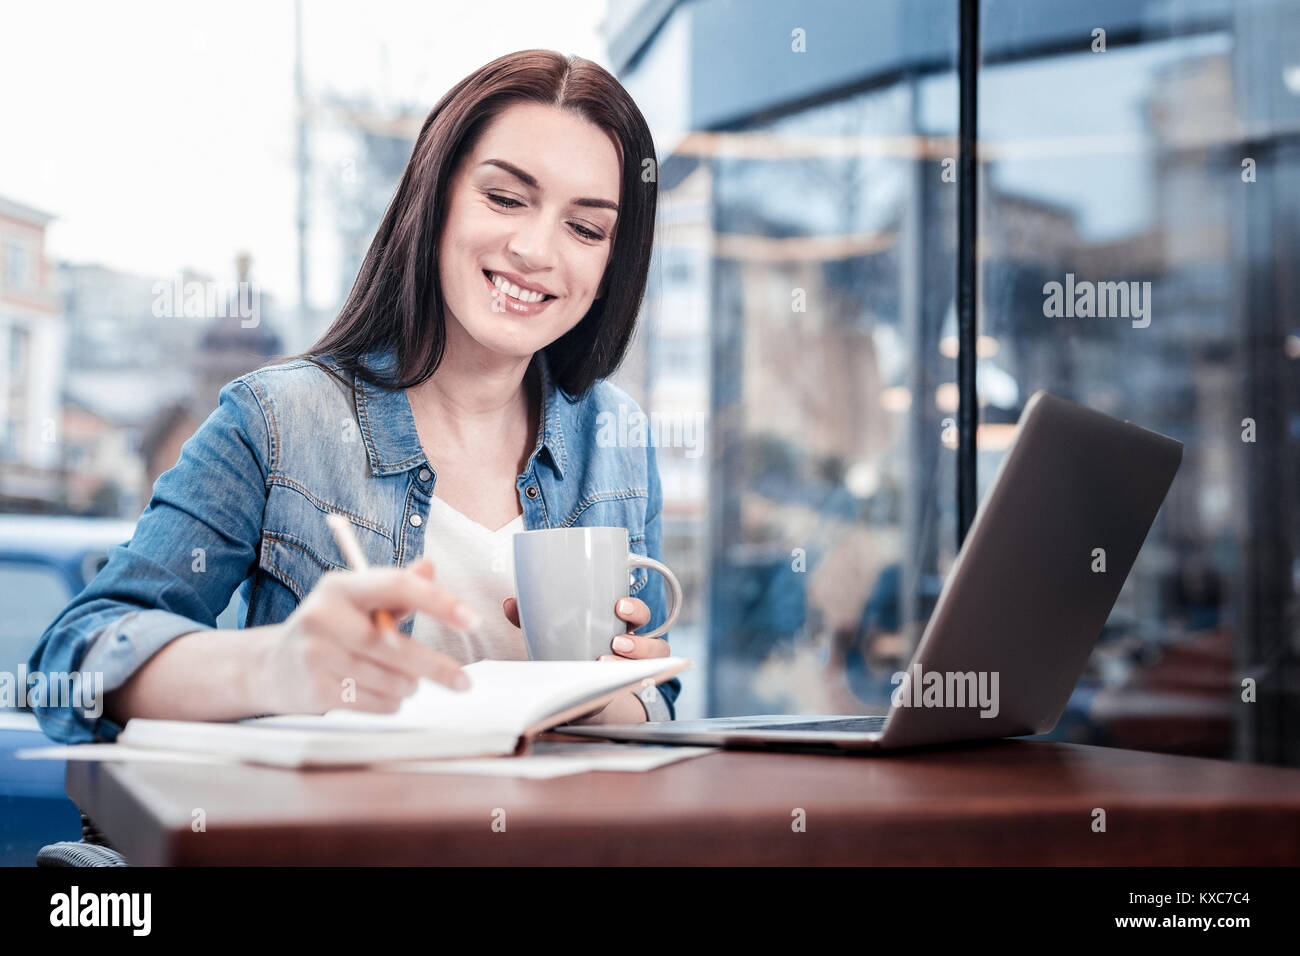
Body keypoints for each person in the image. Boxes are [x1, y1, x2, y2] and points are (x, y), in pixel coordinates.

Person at [28, 49, 679, 744]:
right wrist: (276, 668)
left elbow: (653, 694)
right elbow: (72, 665)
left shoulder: (617, 438)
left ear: (613, 263)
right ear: (436, 201)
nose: (535, 248)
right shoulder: (278, 422)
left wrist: (610, 695)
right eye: (504, 197)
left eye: (585, 228)